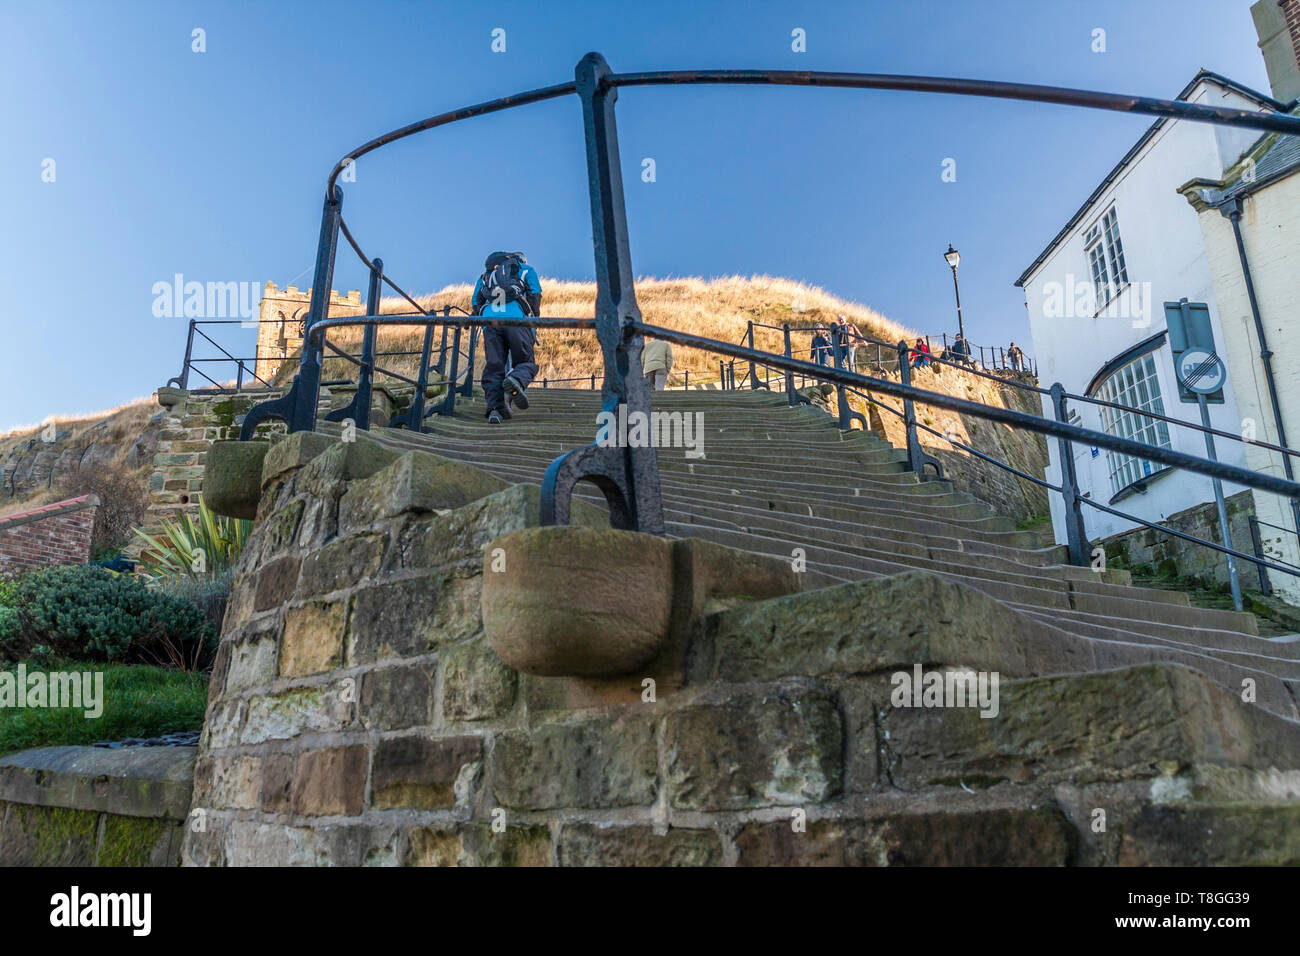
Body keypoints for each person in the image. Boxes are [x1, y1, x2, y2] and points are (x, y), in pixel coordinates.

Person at [472, 251, 542, 424]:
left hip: (490, 321)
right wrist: (532, 320)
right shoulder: (526, 269)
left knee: (495, 365)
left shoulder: (486, 275)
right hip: (515, 320)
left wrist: (482, 322)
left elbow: (476, 301)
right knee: (526, 362)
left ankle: (495, 409)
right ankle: (516, 379)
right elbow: (535, 294)